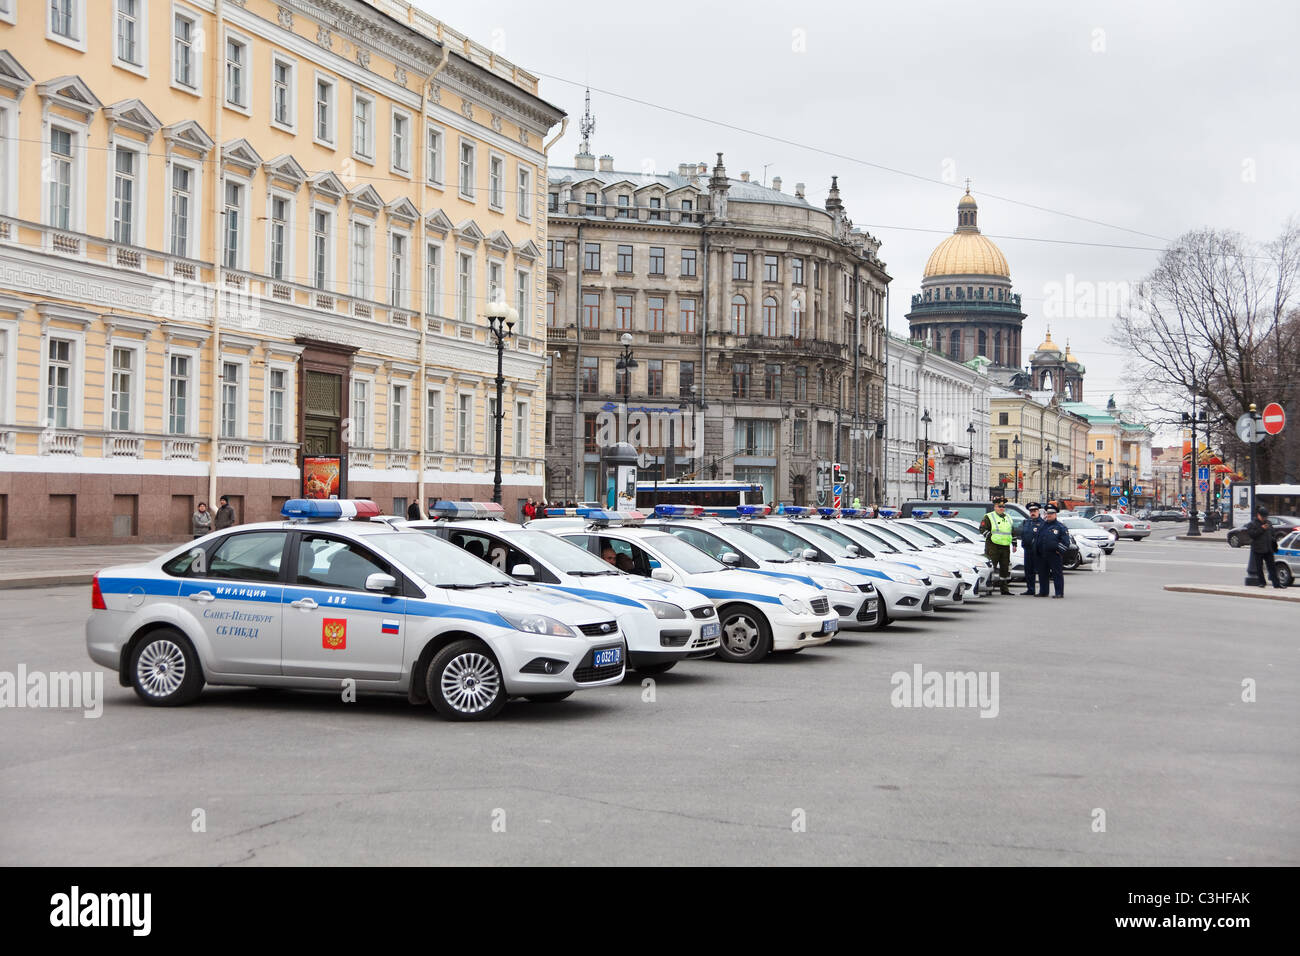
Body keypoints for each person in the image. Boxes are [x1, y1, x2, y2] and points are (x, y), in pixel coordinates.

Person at [1033, 504, 1072, 598]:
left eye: (1051, 513)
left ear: (1055, 514)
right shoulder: (1042, 525)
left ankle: (1059, 592)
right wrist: (1036, 549)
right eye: (1048, 513)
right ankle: (1043, 591)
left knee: (1056, 574)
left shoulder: (1060, 526)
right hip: (1042, 554)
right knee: (1042, 574)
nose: (1049, 515)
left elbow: (1066, 542)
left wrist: (1059, 551)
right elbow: (1037, 538)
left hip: (1054, 554)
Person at [978, 498, 1014, 595]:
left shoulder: (1008, 517)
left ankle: (1004, 589)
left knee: (1005, 568)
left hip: (1005, 546)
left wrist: (1014, 544)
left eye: (1003, 506)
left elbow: (1012, 531)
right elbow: (982, 529)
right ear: (995, 507)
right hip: (993, 546)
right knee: (991, 567)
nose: (1002, 508)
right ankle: (988, 589)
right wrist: (990, 536)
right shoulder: (989, 517)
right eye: (999, 506)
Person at [1245, 506, 1283, 588]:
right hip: (1258, 549)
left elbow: (1273, 534)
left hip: (1268, 548)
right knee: (1259, 567)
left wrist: (1274, 545)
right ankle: (1262, 582)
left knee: (1272, 567)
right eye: (1263, 516)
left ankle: (1276, 584)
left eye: (1265, 517)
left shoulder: (1268, 523)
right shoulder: (1252, 524)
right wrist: (1261, 529)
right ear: (1258, 515)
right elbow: (1252, 535)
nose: (1264, 518)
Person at [1020, 502, 1044, 596]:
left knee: (1041, 571)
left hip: (1038, 551)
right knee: (1028, 570)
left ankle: (1043, 590)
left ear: (1038, 511)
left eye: (1034, 511)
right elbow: (1023, 533)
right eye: (1031, 511)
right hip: (1028, 550)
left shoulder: (1042, 523)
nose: (1033, 513)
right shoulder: (1026, 522)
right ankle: (1030, 589)